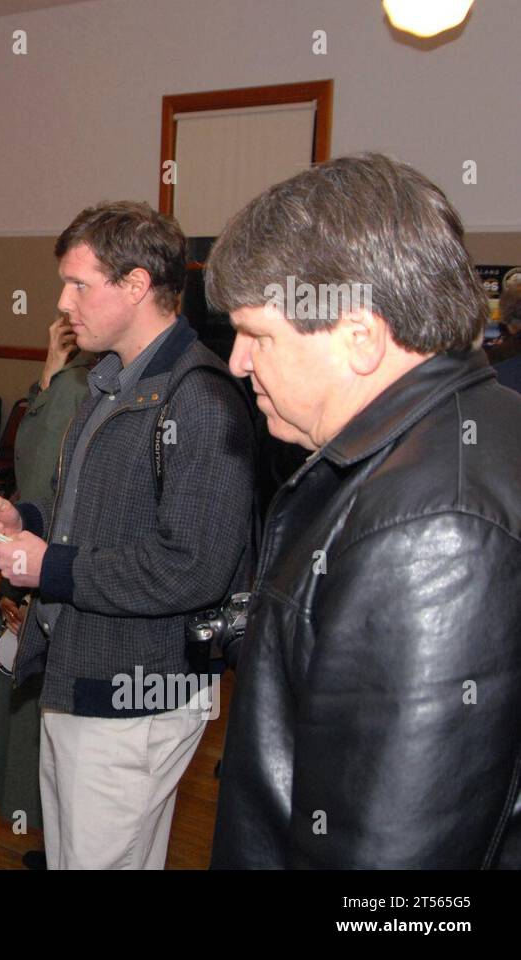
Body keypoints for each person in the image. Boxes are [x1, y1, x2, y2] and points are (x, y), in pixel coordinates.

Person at [204, 153, 521, 868]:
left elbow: (391, 862)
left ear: (361, 337)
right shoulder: (461, 435)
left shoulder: (432, 527)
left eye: (259, 334)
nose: (237, 363)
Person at [0, 202, 256, 869]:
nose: (64, 302)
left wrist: (51, 568)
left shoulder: (199, 400)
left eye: (79, 284)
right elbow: (88, 506)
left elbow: (193, 567)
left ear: (135, 286)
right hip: (80, 673)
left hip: (136, 693)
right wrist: (26, 521)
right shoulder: (110, 381)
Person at [0, 315, 92, 868]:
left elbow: (44, 480)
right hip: (41, 562)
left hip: (42, 569)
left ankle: (53, 835)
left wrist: (24, 591)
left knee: (39, 715)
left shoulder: (76, 388)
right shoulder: (77, 383)